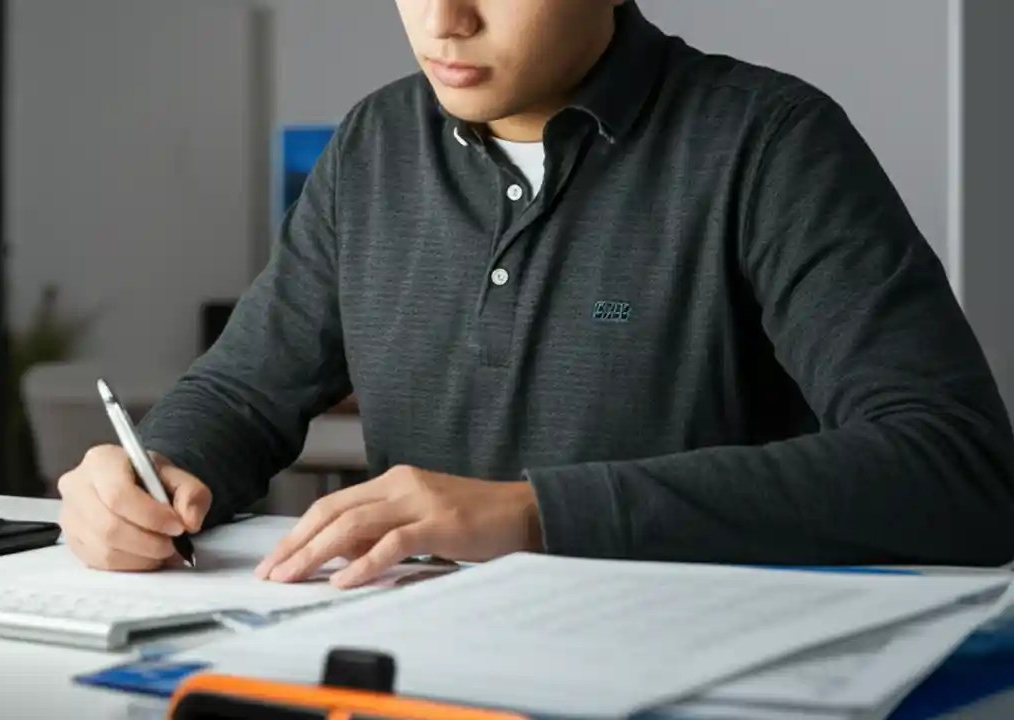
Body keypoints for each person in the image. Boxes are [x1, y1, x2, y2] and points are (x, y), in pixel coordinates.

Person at [56, 0, 1014, 587]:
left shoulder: (769, 141)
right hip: (414, 658)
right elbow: (240, 394)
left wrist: (535, 512)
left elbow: (959, 470)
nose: (443, 19)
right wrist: (155, 473)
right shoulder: (374, 145)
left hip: (681, 667)